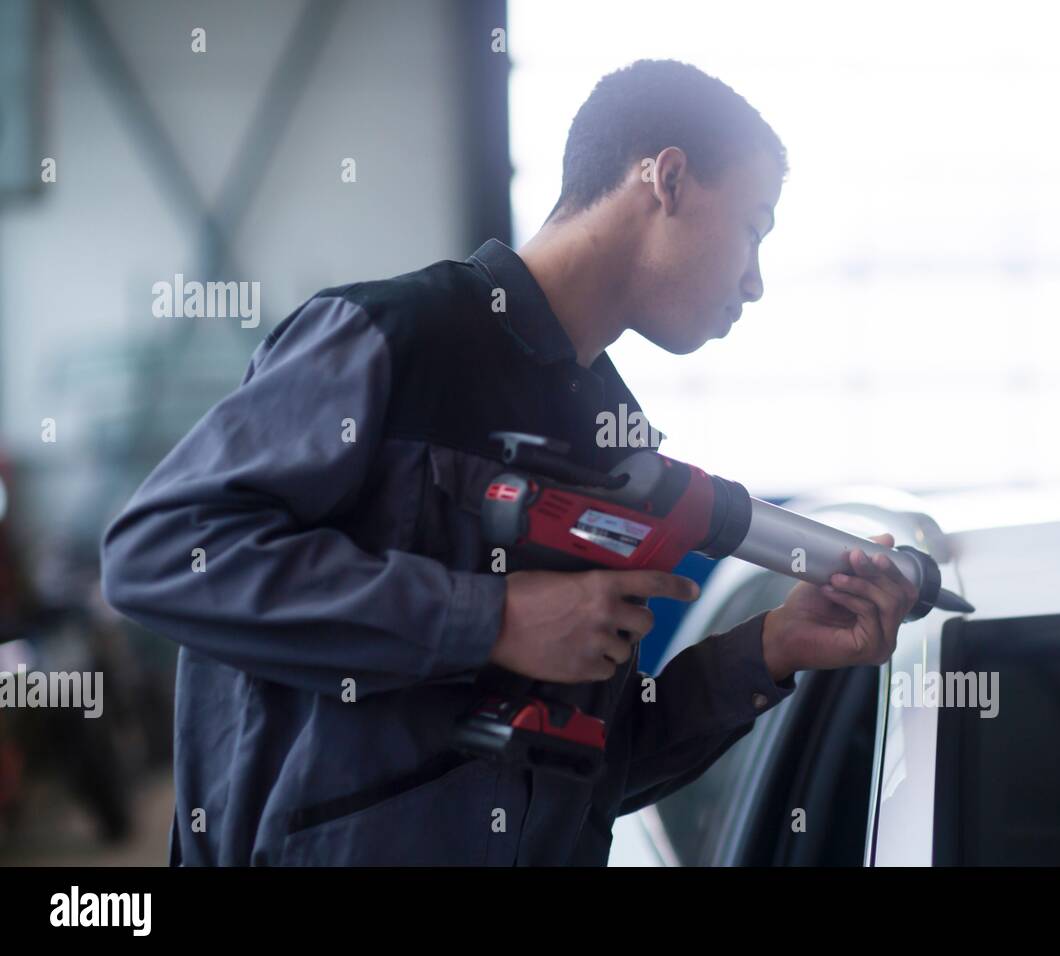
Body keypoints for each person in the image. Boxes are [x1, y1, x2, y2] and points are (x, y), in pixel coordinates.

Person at [100, 58, 919, 866]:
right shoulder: (396, 339)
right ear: (666, 180)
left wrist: (769, 648)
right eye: (753, 227)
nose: (755, 281)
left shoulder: (614, 436)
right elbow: (160, 551)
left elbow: (581, 770)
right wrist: (490, 618)